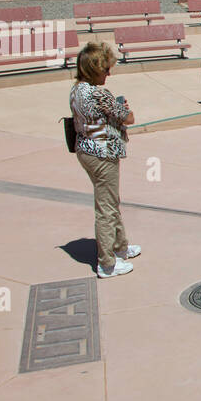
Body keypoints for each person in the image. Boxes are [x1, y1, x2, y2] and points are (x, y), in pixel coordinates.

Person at [69, 41, 140, 278]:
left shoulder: (77, 90)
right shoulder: (100, 94)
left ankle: (120, 248)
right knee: (106, 208)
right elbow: (129, 118)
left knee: (110, 200)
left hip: (85, 150)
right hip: (102, 154)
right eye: (105, 70)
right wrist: (123, 109)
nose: (108, 74)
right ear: (93, 71)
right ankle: (107, 263)